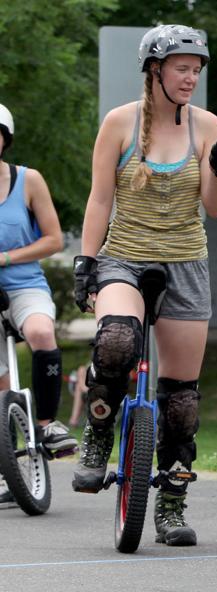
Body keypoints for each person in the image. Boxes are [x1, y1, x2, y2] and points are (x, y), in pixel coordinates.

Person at [71, 25, 217, 547]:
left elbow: (214, 208)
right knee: (118, 341)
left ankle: (171, 505)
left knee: (181, 402)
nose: (191, 78)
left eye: (197, 70)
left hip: (186, 264)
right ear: (155, 69)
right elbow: (100, 198)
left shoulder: (207, 124)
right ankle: (98, 433)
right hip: (124, 258)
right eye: (182, 68)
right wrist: (86, 261)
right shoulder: (120, 122)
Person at [0, 103, 79, 465]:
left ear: (5, 140)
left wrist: (5, 258)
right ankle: (7, 461)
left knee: (42, 334)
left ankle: (47, 425)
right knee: (2, 391)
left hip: (23, 285)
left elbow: (53, 240)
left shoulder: (27, 180)